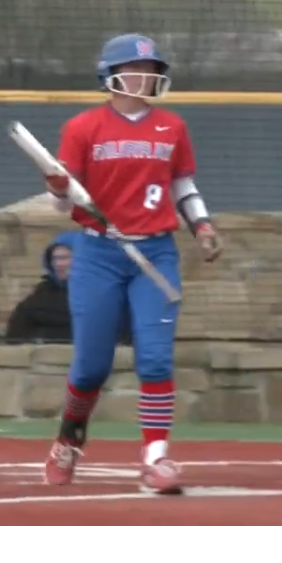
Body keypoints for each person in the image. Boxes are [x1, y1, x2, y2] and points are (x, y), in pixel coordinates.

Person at [42, 33, 223, 495]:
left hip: (156, 250)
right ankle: (69, 437)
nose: (148, 77)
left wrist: (201, 226)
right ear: (113, 75)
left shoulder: (172, 127)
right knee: (90, 368)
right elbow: (62, 206)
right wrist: (61, 188)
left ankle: (156, 458)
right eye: (139, 69)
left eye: (153, 69)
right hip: (101, 251)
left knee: (157, 359)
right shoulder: (83, 128)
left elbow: (183, 185)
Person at [5, 234, 75, 343]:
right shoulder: (41, 294)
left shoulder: (96, 292)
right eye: (54, 258)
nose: (58, 264)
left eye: (64, 258)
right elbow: (16, 331)